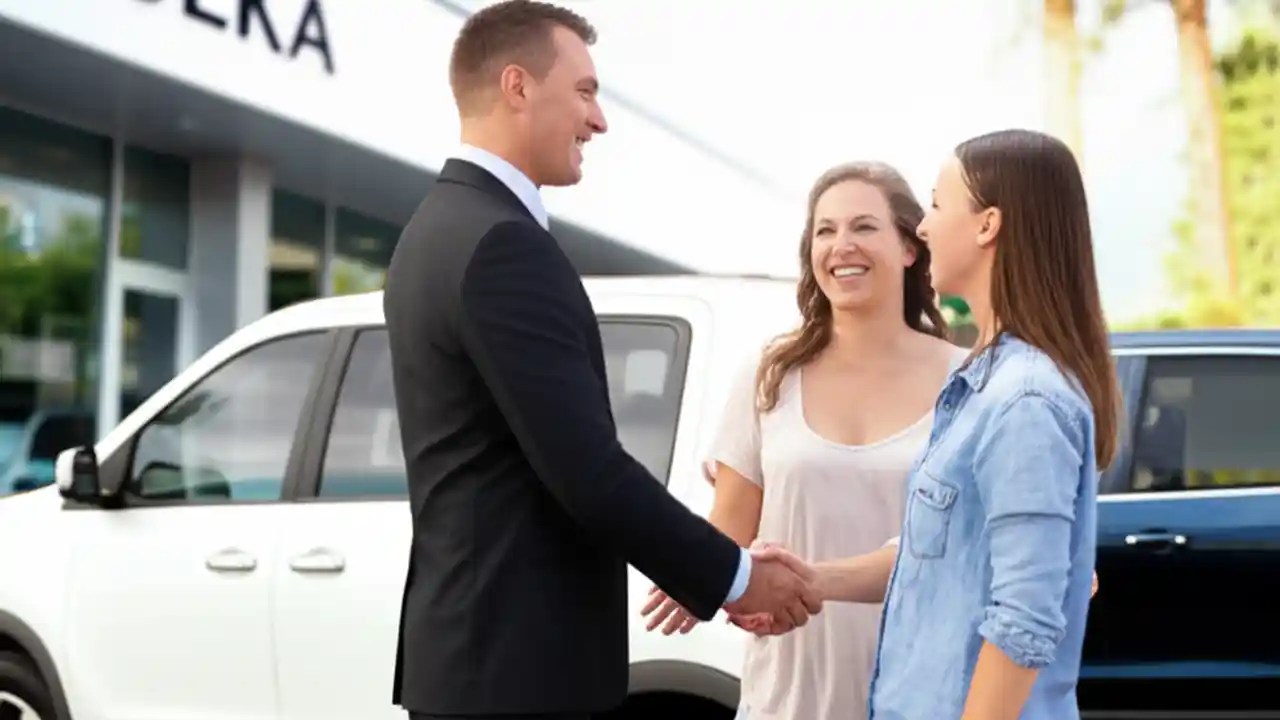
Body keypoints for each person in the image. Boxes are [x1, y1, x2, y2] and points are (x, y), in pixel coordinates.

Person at [381, 2, 820, 719]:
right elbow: (586, 471)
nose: (599, 120)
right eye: (584, 91)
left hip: (477, 661)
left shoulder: (431, 232)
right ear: (518, 86)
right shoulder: (501, 244)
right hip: (518, 675)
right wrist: (737, 576)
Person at [754, 129, 1120, 719]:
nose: (923, 228)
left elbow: (1024, 620)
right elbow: (947, 557)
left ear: (987, 225)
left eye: (937, 205)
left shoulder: (1025, 398)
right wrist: (812, 579)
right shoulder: (985, 380)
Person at [640, 161, 968, 720]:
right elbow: (732, 528)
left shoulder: (967, 381)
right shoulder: (770, 373)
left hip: (926, 695)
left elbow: (966, 544)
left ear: (911, 247)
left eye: (864, 227)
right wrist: (700, 576)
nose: (842, 245)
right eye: (825, 230)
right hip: (788, 699)